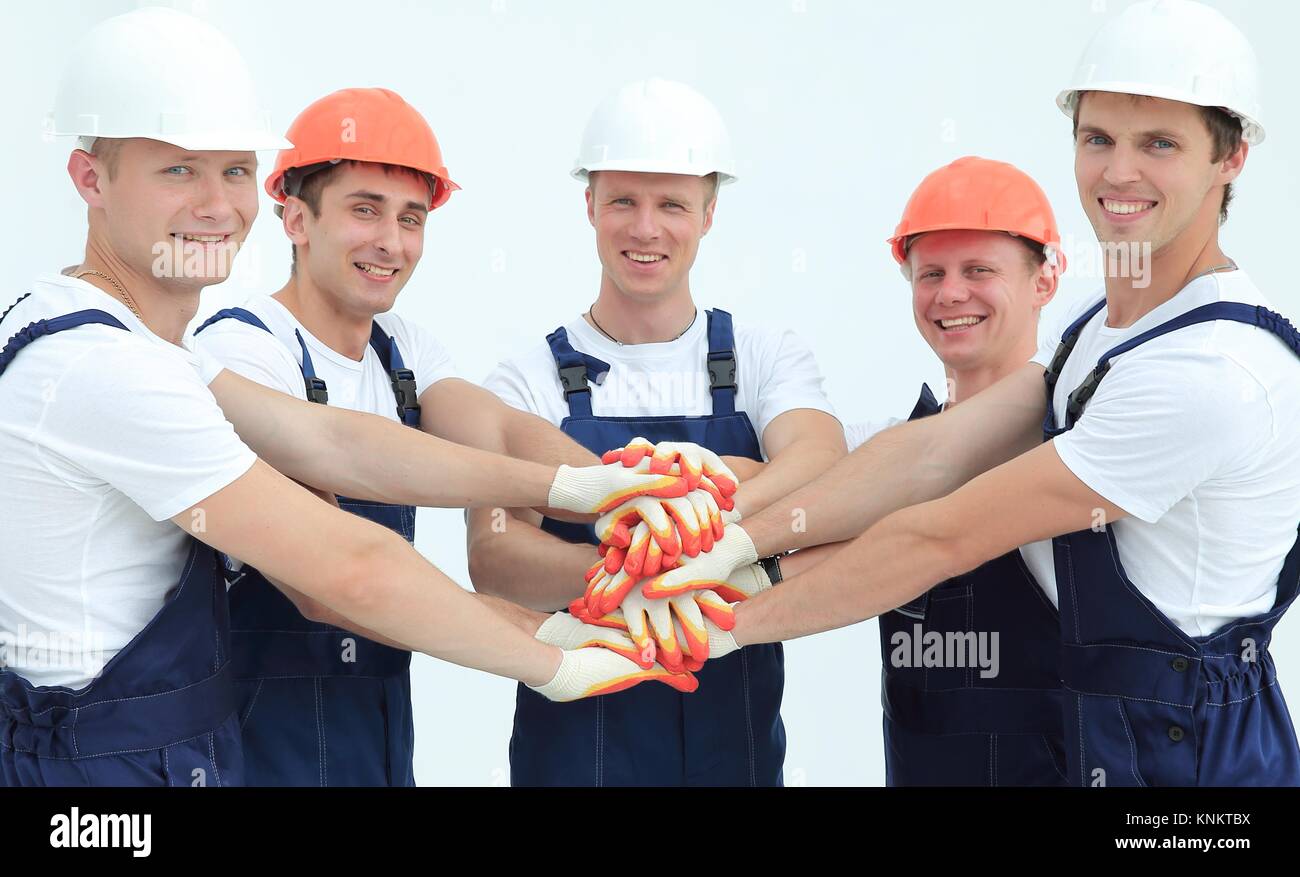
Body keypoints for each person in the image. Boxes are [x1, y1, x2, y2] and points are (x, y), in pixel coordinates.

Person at [598, 0, 1300, 787]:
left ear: (1231, 155)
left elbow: (938, 537)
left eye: (1160, 144)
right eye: (1098, 138)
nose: (1118, 172)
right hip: (1112, 739)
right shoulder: (1098, 333)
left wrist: (712, 625)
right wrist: (738, 546)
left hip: (1192, 764)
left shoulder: (1211, 370)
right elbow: (931, 455)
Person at [0, 8, 696, 788]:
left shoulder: (156, 352)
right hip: (107, 769)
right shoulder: (116, 364)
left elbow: (340, 442)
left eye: (233, 171)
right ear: (90, 178)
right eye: (176, 170)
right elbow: (347, 573)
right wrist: (554, 655)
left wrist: (615, 491)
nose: (215, 205)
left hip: (183, 751)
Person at [191, 88, 636, 786]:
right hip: (256, 743)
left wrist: (638, 496)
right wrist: (535, 636)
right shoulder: (245, 354)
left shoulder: (400, 351)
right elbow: (328, 584)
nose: (391, 242)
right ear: (297, 219)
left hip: (378, 732)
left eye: (411, 218)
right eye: (364, 209)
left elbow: (501, 435)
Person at [470, 78, 846, 786]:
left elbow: (825, 465)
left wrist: (691, 505)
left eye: (672, 203)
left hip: (733, 741)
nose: (646, 228)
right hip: (573, 745)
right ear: (588, 205)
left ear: (709, 212)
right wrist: (646, 586)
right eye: (623, 201)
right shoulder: (525, 376)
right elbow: (492, 551)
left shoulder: (767, 355)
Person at [841, 156, 1069, 785]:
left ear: (1046, 280)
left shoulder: (1085, 449)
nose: (950, 294)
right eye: (931, 273)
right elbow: (788, 468)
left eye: (979, 271)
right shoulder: (885, 447)